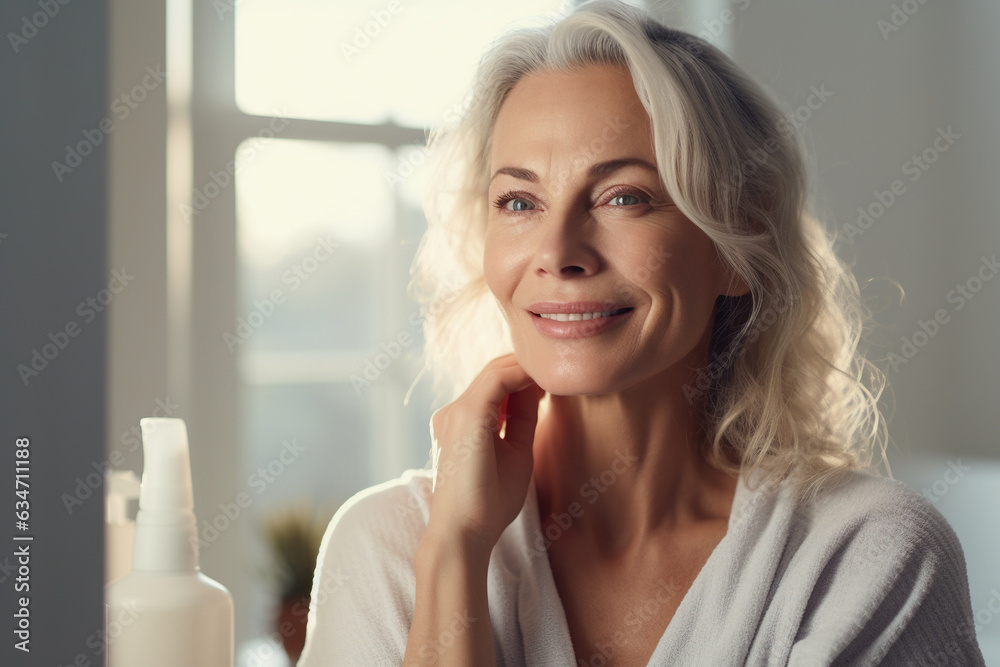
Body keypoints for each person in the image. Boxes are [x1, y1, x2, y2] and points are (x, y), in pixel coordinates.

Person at [297, 1, 987, 665]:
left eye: (623, 196)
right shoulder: (388, 544)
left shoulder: (863, 556)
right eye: (519, 201)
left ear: (736, 249)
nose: (558, 249)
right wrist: (455, 550)